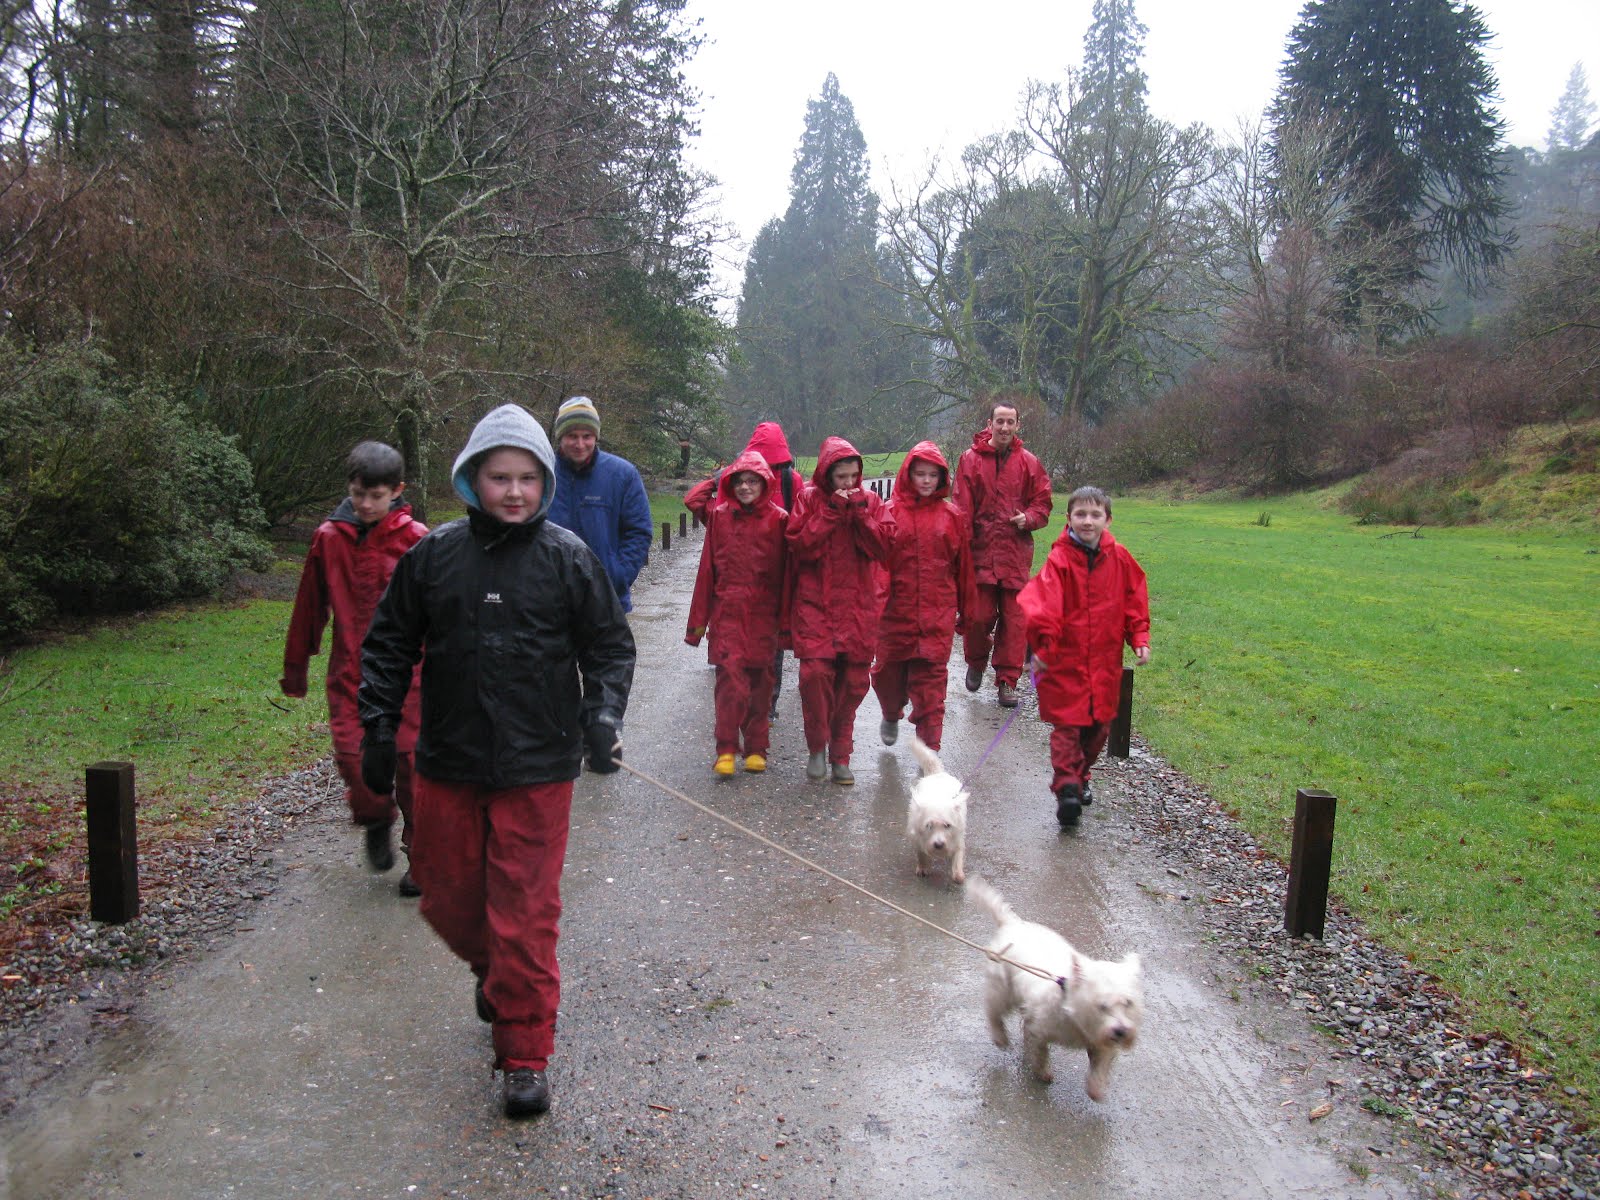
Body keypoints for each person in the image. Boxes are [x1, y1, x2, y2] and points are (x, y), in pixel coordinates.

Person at [358, 403, 635, 1119]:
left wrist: (601, 715)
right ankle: (492, 971)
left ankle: (524, 1052)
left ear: (544, 481)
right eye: (498, 476)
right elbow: (388, 644)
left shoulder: (568, 558)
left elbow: (609, 647)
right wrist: (379, 726)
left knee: (525, 911)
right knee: (448, 897)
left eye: (526, 478)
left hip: (538, 767)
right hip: (448, 760)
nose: (514, 491)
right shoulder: (433, 558)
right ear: (471, 479)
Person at [280, 440, 427, 894]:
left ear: (397, 491)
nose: (365, 504)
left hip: (412, 680)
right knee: (355, 762)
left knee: (414, 769)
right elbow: (309, 606)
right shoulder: (329, 537)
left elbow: (443, 614)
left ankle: (422, 858)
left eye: (376, 496)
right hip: (351, 676)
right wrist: (296, 668)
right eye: (359, 493)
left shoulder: (416, 541)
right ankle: (375, 818)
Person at [1017, 485, 1150, 829]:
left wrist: (1139, 638)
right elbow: (1043, 605)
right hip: (1065, 663)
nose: (1087, 521)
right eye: (1080, 514)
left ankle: (1081, 774)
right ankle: (1067, 789)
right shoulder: (1059, 560)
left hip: (1104, 664)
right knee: (1067, 728)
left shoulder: (1120, 559)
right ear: (1069, 519)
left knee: (1097, 729)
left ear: (1108, 519)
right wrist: (1043, 649)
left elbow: (1135, 599)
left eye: (1095, 515)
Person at [785, 436, 893, 784]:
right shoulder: (808, 500)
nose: (848, 484)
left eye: (853, 476)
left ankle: (841, 753)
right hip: (816, 603)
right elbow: (800, 547)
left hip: (859, 605)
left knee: (854, 681)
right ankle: (817, 747)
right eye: (841, 477)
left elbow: (884, 548)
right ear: (827, 475)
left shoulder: (873, 501)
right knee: (815, 675)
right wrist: (831, 512)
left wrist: (860, 514)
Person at [685, 421, 805, 720]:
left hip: (753, 567)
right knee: (767, 641)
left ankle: (751, 704)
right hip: (761, 568)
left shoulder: (750, 481)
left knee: (748, 638)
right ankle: (764, 705)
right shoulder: (784, 479)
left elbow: (693, 500)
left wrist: (719, 480)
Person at [685, 450, 788, 776]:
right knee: (729, 683)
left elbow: (789, 575)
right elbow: (707, 572)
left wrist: (786, 625)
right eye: (739, 481)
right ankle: (726, 748)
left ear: (764, 483)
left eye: (751, 481)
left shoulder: (780, 519)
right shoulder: (719, 516)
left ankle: (757, 747)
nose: (745, 487)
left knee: (761, 683)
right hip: (727, 613)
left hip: (763, 616)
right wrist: (697, 626)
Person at [871, 441, 977, 752]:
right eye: (921, 474)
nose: (927, 481)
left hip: (936, 615)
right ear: (909, 475)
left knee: (931, 688)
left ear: (943, 477)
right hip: (895, 615)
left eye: (933, 475)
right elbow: (876, 564)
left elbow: (964, 568)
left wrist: (968, 612)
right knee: (887, 675)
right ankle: (891, 712)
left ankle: (930, 754)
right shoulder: (889, 513)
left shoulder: (952, 516)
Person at [953, 399, 1053, 709]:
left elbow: (1043, 503)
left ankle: (1007, 681)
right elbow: (961, 507)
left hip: (1014, 553)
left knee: (1015, 620)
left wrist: (1029, 518)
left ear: (1018, 425)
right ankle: (976, 660)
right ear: (990, 423)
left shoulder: (1030, 463)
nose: (1005, 427)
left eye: (1011, 422)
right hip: (980, 553)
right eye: (1000, 421)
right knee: (978, 617)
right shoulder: (969, 460)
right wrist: (961, 550)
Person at [545, 395, 654, 613]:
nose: (579, 444)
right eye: (572, 436)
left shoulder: (622, 474)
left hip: (607, 600)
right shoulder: (541, 474)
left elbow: (639, 531)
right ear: (560, 436)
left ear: (596, 436)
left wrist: (618, 576)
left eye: (587, 436)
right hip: (549, 599)